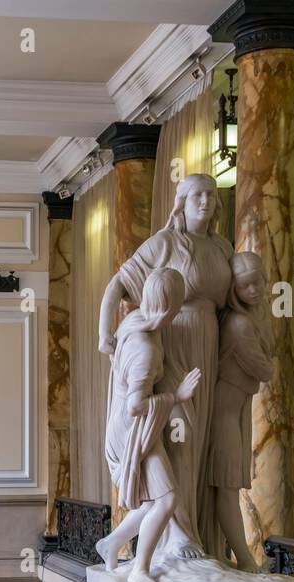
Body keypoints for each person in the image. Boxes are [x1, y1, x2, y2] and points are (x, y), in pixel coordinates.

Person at [98, 173, 233, 560]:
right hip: (171, 343)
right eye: (196, 195)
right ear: (182, 202)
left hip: (207, 348)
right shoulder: (165, 243)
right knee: (179, 436)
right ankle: (179, 535)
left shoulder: (222, 247)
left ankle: (197, 533)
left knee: (200, 439)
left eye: (210, 195)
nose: (205, 201)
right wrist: (104, 335)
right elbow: (116, 287)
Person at [96, 268, 202, 582]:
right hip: (132, 431)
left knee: (148, 501)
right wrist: (176, 396)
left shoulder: (134, 320)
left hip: (124, 428)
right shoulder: (146, 350)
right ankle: (140, 567)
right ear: (170, 307)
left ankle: (112, 544)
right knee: (167, 499)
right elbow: (135, 406)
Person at [210, 252, 276, 571]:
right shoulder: (238, 324)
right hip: (224, 416)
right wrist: (268, 363)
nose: (254, 290)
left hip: (236, 411)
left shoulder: (249, 319)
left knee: (229, 487)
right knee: (227, 487)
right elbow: (264, 368)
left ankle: (237, 556)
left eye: (258, 282)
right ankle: (245, 559)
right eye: (245, 285)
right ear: (233, 289)